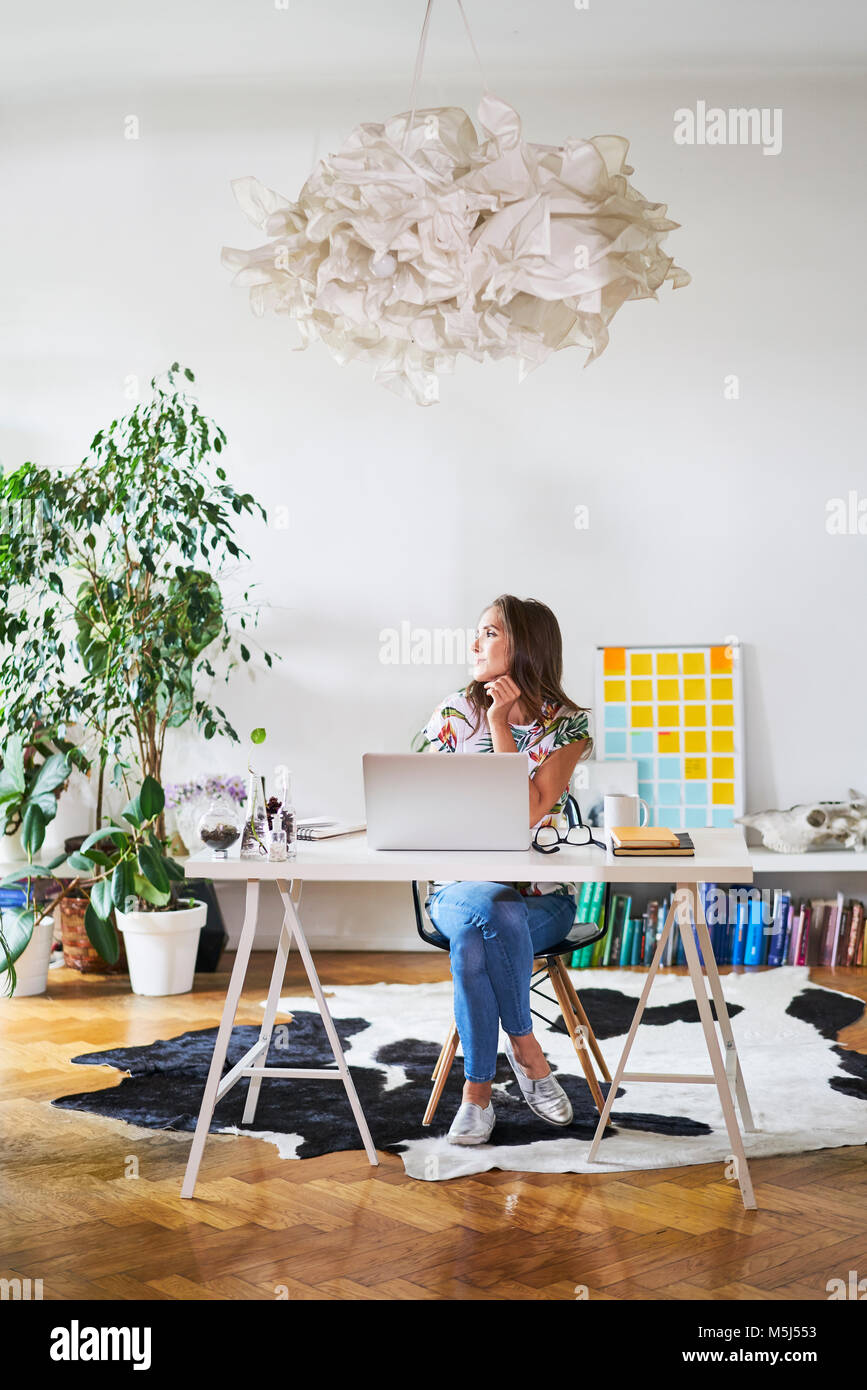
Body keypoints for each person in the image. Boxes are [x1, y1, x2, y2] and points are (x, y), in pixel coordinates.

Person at [420, 594, 593, 1145]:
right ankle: (528, 1051)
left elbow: (525, 810)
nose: (475, 644)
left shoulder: (567, 727)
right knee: (485, 912)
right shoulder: (452, 713)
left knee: (479, 936)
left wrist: (498, 724)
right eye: (479, 633)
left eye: (489, 633)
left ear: (526, 646)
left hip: (542, 899)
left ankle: (476, 1094)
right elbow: (414, 800)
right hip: (458, 890)